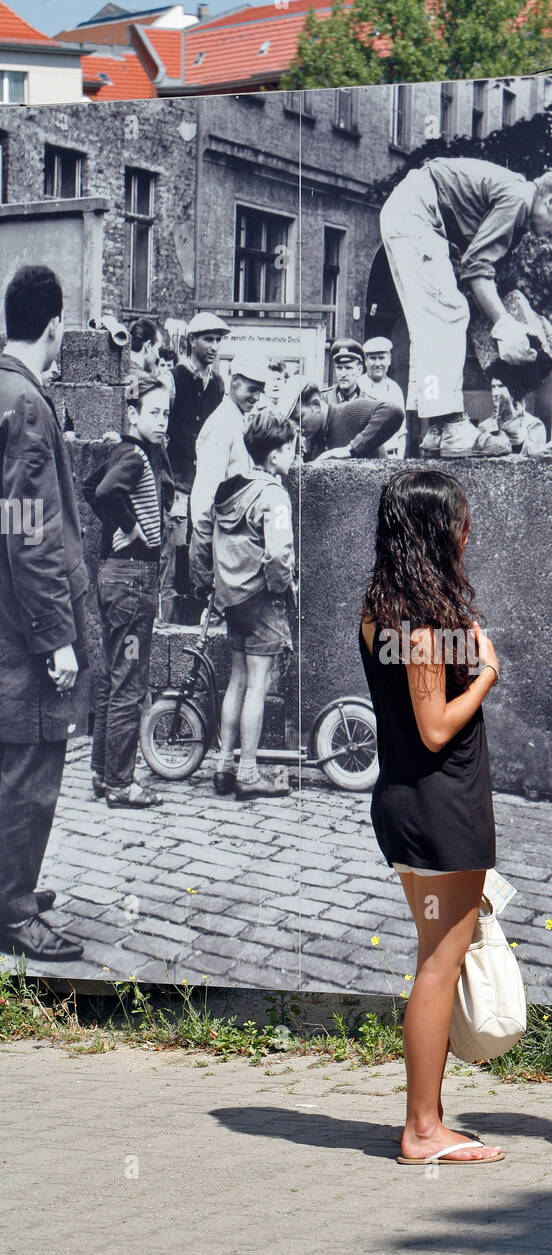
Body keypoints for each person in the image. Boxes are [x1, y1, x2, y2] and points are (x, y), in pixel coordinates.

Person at [358, 469, 503, 1165]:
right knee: (439, 968)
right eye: (460, 520)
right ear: (437, 530)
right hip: (441, 808)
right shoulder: (421, 622)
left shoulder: (384, 607)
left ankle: (429, 1119)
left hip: (408, 802)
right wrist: (484, 679)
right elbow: (437, 726)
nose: (468, 531)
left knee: (433, 963)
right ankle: (422, 1129)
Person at [379, 158, 552, 458]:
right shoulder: (517, 200)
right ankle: (450, 426)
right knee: (448, 312)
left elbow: (481, 272)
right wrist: (505, 324)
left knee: (433, 320)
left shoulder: (515, 200)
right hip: (418, 213)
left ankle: (437, 429)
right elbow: (476, 269)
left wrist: (509, 321)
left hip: (411, 211)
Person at [0, 265, 88, 962]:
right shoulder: (27, 402)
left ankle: (10, 884)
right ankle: (14, 907)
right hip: (23, 629)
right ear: (55, 328)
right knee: (31, 767)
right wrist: (57, 638)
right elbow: (28, 532)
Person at [190, 408, 297, 801]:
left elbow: (210, 536)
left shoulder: (229, 489)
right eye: (290, 449)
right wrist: (281, 588)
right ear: (273, 455)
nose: (293, 456)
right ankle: (249, 772)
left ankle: (223, 765)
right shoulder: (275, 495)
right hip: (263, 601)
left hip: (231, 600)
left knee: (236, 681)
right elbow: (279, 554)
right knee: (258, 685)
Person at [86, 374, 172, 809]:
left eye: (166, 413)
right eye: (153, 413)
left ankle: (103, 773)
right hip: (132, 583)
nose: (162, 421)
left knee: (112, 676)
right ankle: (121, 783)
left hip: (116, 580)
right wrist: (130, 527)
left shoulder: (127, 450)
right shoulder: (135, 455)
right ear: (133, 414)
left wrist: (120, 524)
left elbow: (89, 487)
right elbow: (103, 491)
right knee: (129, 681)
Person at [161, 311, 229, 622]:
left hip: (206, 482)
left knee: (201, 549)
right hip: (177, 482)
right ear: (192, 341)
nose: (215, 346)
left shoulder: (218, 383)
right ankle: (169, 622)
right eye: (208, 339)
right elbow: (160, 432)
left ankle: (197, 616)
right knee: (173, 551)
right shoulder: (172, 380)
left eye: (218, 340)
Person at [189, 350, 270, 528]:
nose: (256, 397)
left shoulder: (238, 418)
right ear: (235, 382)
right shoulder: (222, 424)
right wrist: (203, 543)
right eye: (252, 389)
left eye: (260, 391)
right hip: (218, 532)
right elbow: (206, 492)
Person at [288, 379, 403, 462]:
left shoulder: (350, 411)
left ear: (316, 405)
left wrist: (350, 449)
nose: (298, 427)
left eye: (299, 418)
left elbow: (393, 411)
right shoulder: (314, 439)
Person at [359, 336, 407, 458]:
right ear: (365, 361)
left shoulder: (395, 389)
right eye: (373, 358)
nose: (377, 363)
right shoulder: (358, 385)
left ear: (389, 360)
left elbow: (401, 431)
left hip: (392, 457)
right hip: (366, 458)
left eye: (381, 358)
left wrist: (400, 460)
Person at [476, 377, 547, 455]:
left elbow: (535, 460)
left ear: (514, 389)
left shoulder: (534, 425)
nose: (495, 393)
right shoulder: (484, 426)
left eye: (501, 386)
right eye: (493, 387)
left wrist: (518, 442)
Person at [321, 339, 366, 405]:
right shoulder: (323, 399)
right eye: (339, 368)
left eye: (348, 368)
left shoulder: (368, 402)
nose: (343, 374)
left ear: (360, 370)